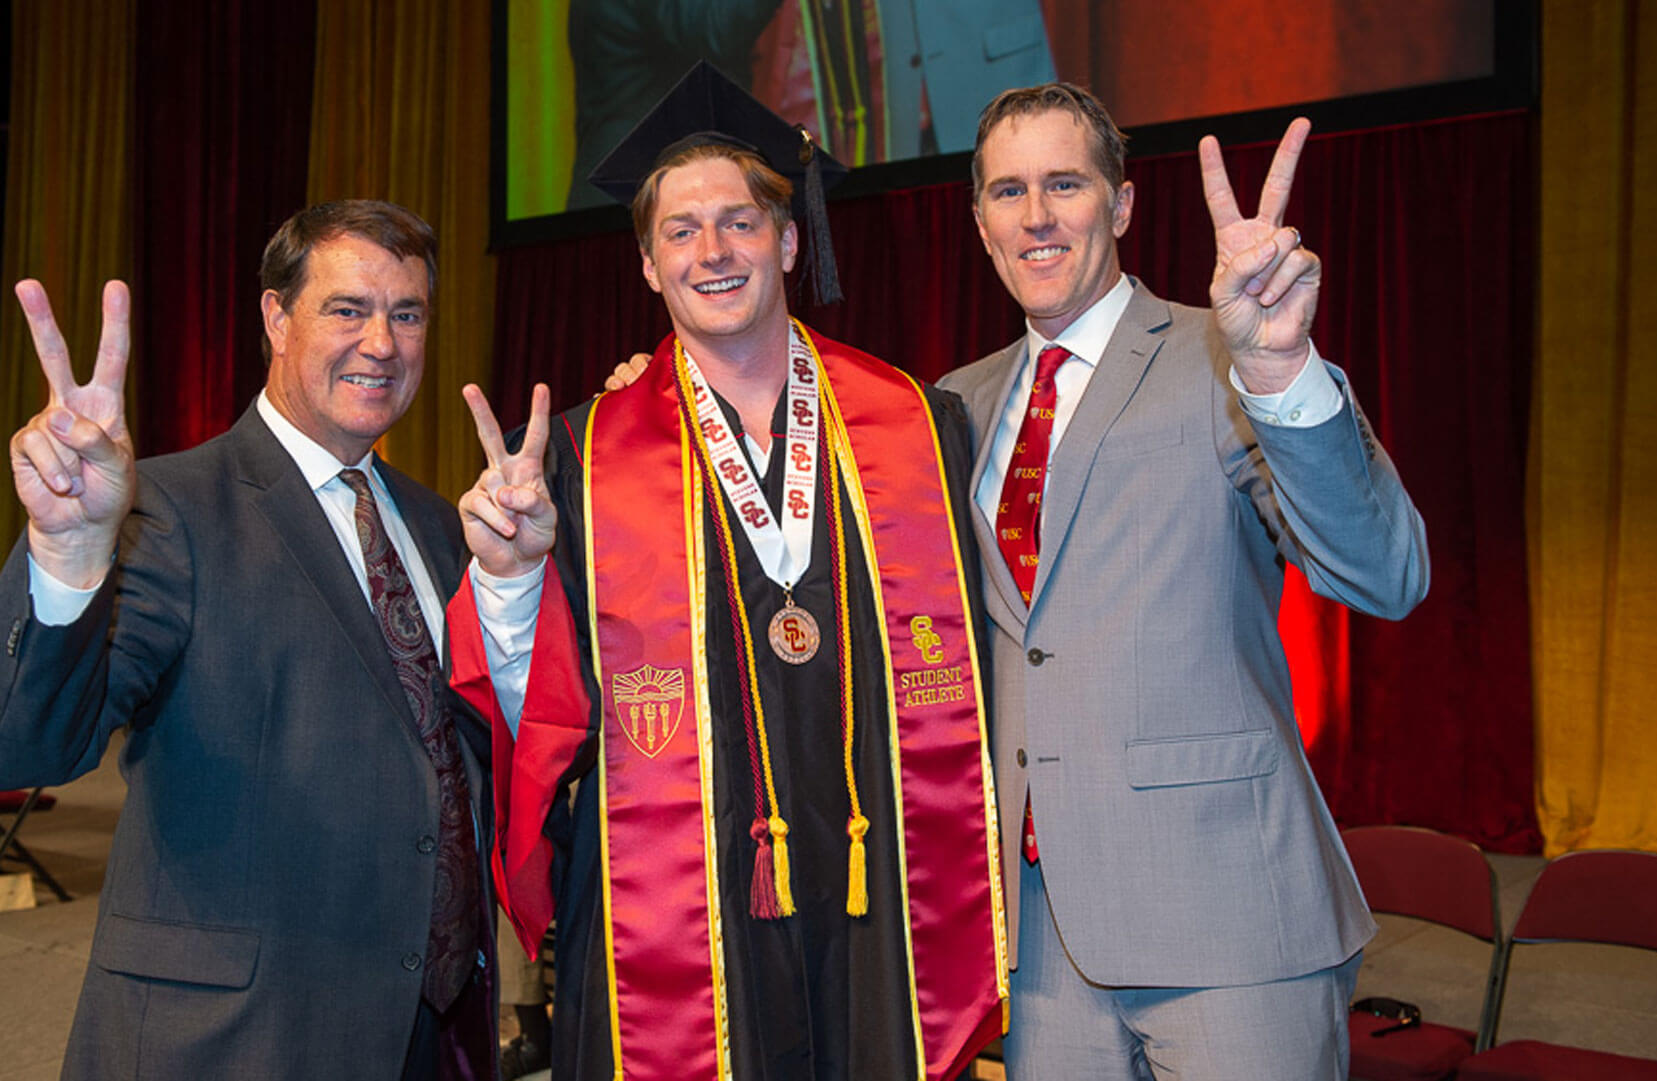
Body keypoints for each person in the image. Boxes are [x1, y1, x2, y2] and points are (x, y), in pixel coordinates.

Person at [451, 63, 1006, 1081]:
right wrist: (509, 581)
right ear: (648, 266)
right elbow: (538, 713)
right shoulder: (581, 459)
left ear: (788, 242)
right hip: (671, 915)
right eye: (681, 231)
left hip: (881, 901)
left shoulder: (920, 427)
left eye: (740, 222)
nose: (712, 251)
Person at [936, 83, 1429, 1079]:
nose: (1036, 216)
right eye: (1008, 191)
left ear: (1121, 205)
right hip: (1038, 943)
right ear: (981, 222)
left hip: (1228, 915)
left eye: (1066, 184)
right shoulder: (953, 404)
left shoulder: (1222, 356)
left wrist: (1282, 372)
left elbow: (1387, 573)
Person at [0, 201, 495, 1079]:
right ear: (276, 318)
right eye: (348, 309)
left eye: (408, 314)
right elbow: (18, 747)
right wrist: (68, 551)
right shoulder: (169, 509)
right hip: (239, 1037)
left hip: (429, 1029)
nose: (382, 343)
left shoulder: (440, 525)